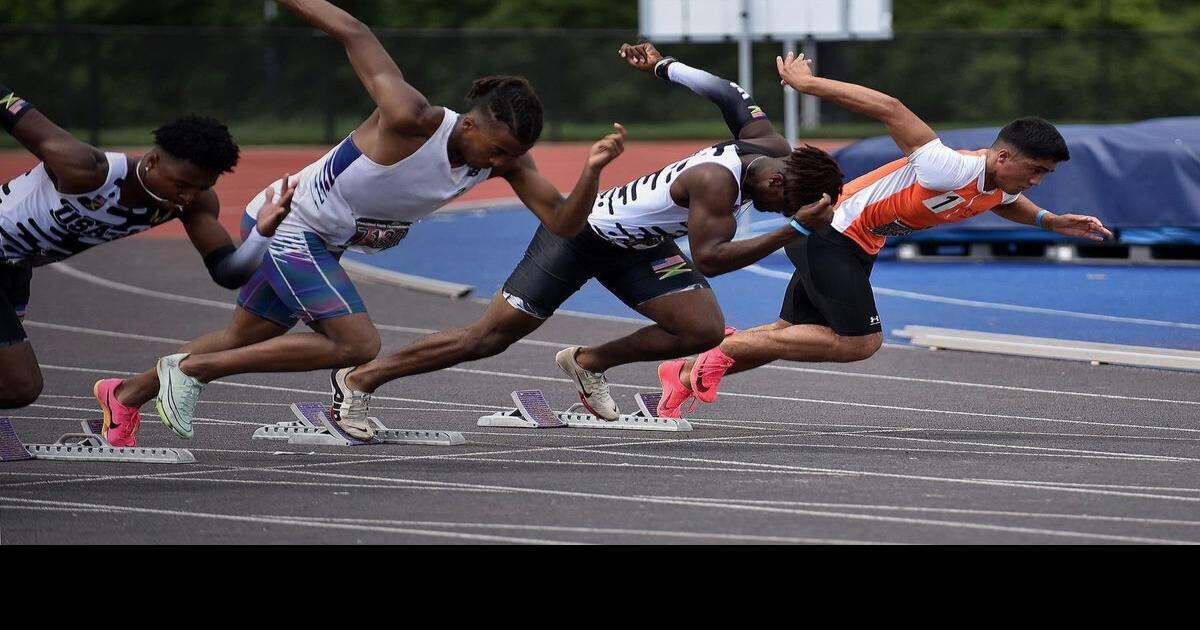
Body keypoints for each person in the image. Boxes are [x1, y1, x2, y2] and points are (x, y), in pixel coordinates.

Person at [101, 0, 627, 442]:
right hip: (287, 223)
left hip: (321, 242)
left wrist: (592, 171)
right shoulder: (409, 117)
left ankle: (123, 396)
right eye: (495, 149)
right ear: (469, 125)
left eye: (509, 155)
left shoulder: (506, 162)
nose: (498, 162)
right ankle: (191, 370)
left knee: (244, 335)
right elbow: (353, 31)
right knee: (356, 345)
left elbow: (562, 221)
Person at [326, 42, 844, 429]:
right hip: (580, 235)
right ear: (778, 181)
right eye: (784, 206)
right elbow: (711, 258)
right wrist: (794, 228)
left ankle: (587, 362)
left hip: (639, 245)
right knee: (487, 339)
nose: (777, 213)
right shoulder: (716, 184)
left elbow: (728, 92)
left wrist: (664, 66)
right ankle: (361, 379)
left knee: (702, 330)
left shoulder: (769, 145)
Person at [656, 52, 1114, 418]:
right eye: (1035, 169)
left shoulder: (1000, 184)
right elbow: (890, 108)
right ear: (1004, 156)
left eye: (1045, 175)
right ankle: (719, 349)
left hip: (854, 243)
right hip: (830, 231)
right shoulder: (949, 167)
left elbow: (1007, 201)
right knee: (860, 342)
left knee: (791, 333)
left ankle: (684, 373)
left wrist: (1050, 221)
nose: (1036, 181)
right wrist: (808, 84)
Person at [0, 80, 294, 446]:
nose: (187, 197)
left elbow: (228, 273)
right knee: (20, 384)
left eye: (200, 188)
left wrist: (262, 233)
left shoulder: (193, 204)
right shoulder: (85, 168)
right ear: (152, 161)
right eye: (182, 185)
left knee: (14, 383)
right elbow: (8, 104)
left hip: (14, 269)